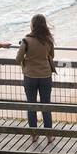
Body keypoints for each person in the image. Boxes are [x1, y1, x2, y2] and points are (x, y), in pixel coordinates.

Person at [16, 14, 57, 144]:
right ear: (44, 25)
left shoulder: (26, 41)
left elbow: (18, 58)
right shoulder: (48, 40)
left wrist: (27, 59)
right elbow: (52, 55)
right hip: (45, 76)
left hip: (30, 76)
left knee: (31, 105)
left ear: (33, 25)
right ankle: (49, 135)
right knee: (46, 105)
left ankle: (34, 134)